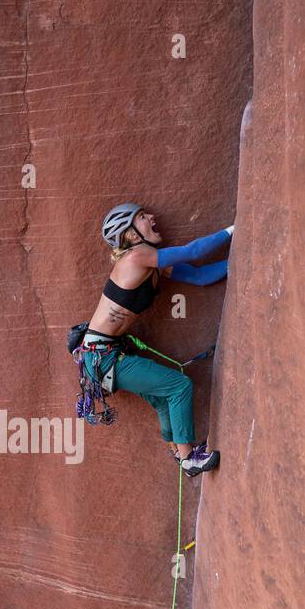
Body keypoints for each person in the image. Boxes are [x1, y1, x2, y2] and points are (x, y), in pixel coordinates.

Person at [78, 201, 232, 476]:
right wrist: (235, 230)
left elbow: (199, 276)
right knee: (178, 386)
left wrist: (238, 261)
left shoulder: (153, 265)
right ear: (132, 235)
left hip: (102, 356)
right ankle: (189, 459)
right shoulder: (137, 257)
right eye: (141, 217)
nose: (151, 217)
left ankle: (176, 448)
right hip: (103, 356)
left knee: (163, 398)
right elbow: (192, 252)